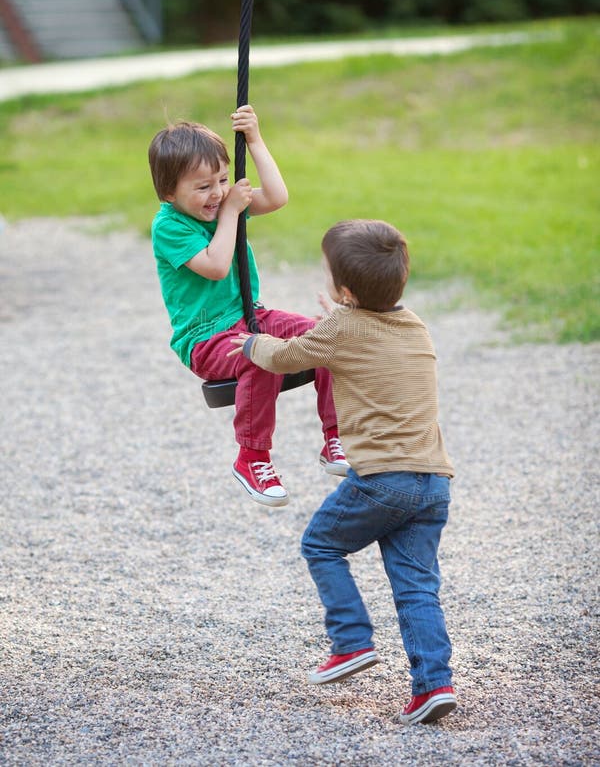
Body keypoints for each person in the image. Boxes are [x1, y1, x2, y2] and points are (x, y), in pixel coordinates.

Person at [228, 219, 456, 726]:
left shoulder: (342, 329)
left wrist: (247, 343)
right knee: (417, 586)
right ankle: (433, 685)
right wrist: (345, 317)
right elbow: (365, 337)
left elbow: (284, 356)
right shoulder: (413, 323)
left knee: (321, 545)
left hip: (382, 480)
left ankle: (351, 641)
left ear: (345, 290)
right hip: (433, 480)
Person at [148, 105, 349, 509]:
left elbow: (277, 196)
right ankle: (252, 458)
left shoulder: (222, 203)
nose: (217, 193)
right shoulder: (169, 225)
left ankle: (336, 437)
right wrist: (232, 212)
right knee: (260, 354)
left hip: (251, 317)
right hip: (206, 338)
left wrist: (255, 140)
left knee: (330, 334)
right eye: (202, 187)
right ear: (170, 193)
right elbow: (217, 266)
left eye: (222, 180)